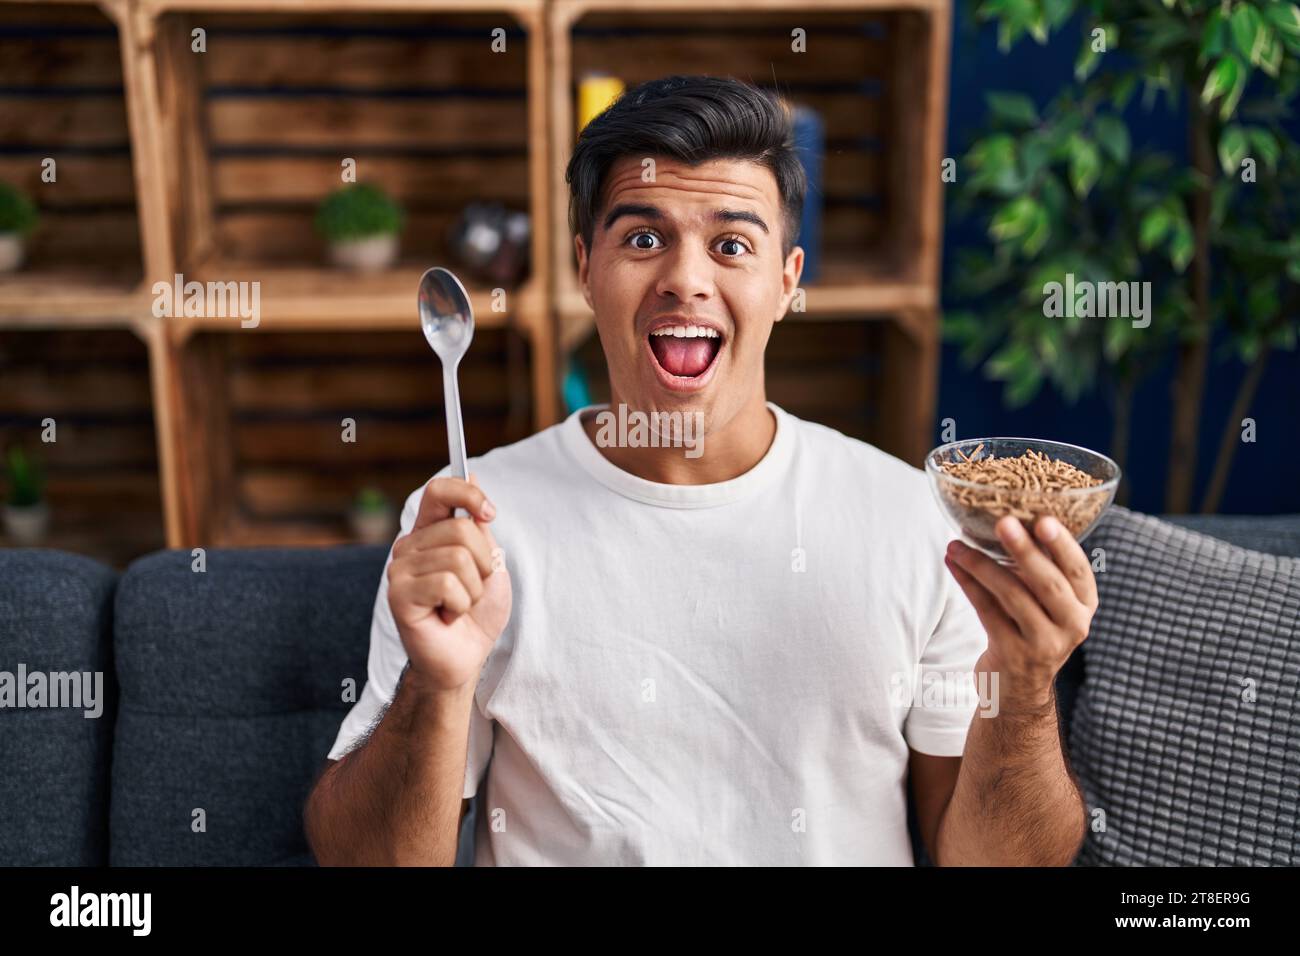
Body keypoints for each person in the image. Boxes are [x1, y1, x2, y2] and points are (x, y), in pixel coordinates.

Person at [303, 75, 1094, 866]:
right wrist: (436, 688)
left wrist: (1022, 691)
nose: (686, 278)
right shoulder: (467, 524)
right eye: (643, 239)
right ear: (585, 267)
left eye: (732, 244)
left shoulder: (920, 523)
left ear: (787, 281)